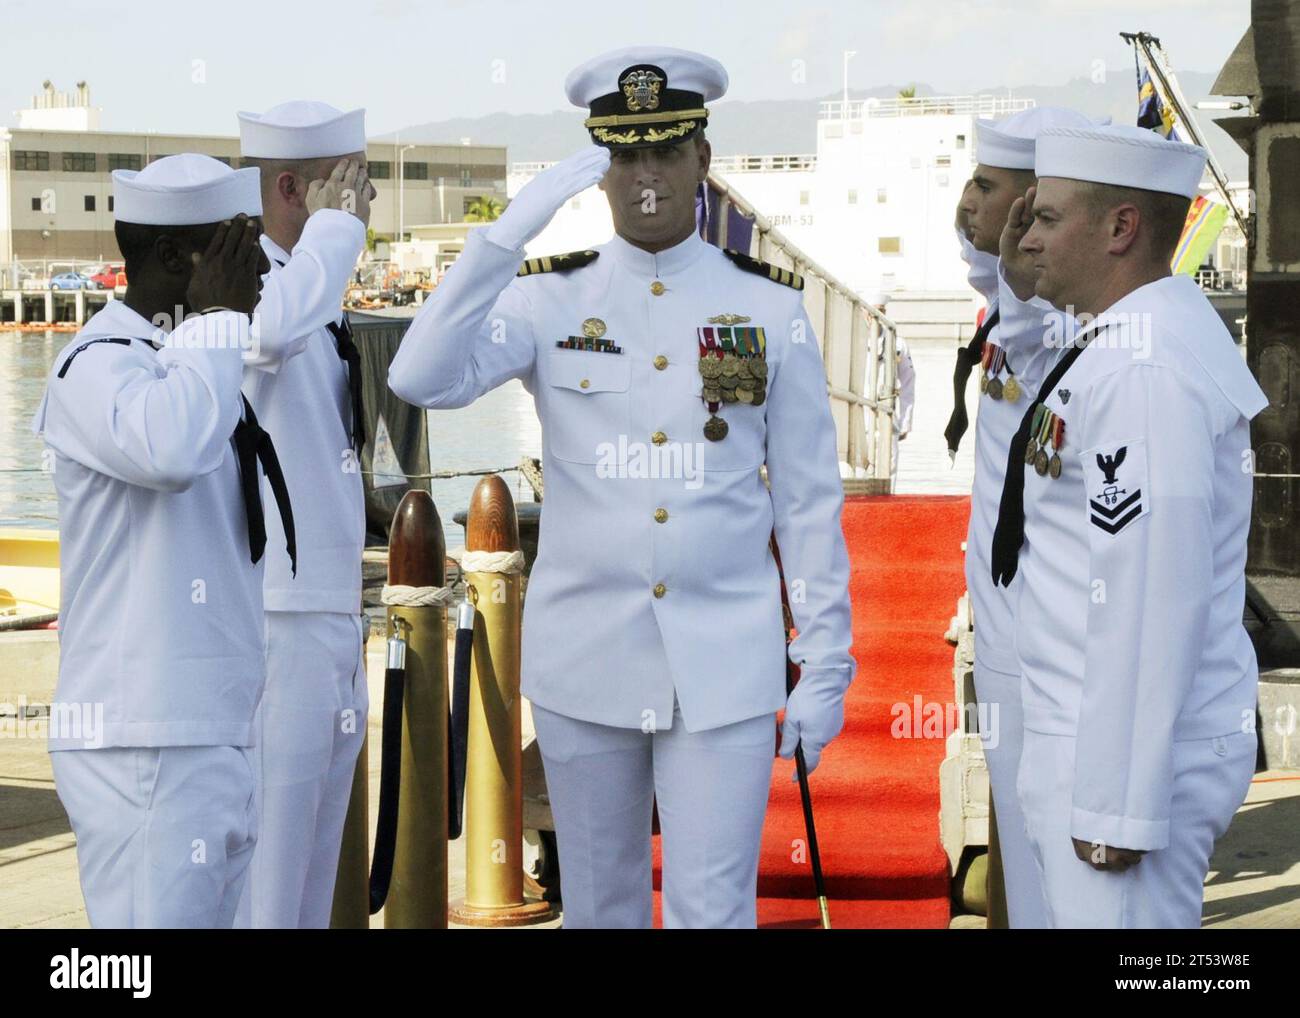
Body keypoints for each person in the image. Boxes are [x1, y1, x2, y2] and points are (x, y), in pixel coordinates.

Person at [388, 46, 855, 928]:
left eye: (666, 152)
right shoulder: (545, 300)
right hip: (587, 657)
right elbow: (419, 376)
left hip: (726, 661)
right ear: (600, 172)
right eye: (625, 156)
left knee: (712, 910)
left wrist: (828, 662)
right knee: (599, 907)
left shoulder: (768, 308)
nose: (646, 176)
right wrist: (500, 240)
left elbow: (806, 502)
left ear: (702, 161)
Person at [990, 124, 1267, 928]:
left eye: (1045, 218)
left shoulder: (1143, 369)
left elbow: (1150, 592)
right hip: (1088, 743)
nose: (1027, 236)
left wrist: (1118, 803)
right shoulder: (1118, 341)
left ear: (1120, 229)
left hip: (1116, 767)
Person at [33, 154, 291, 927]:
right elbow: (171, 452)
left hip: (214, 729)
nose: (259, 272)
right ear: (181, 259)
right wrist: (216, 322)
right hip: (144, 740)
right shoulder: (96, 368)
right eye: (238, 248)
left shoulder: (195, 366)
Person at [947, 108, 1095, 927]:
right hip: (1006, 616)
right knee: (1024, 834)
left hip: (1047, 629)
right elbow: (989, 277)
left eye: (986, 186)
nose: (967, 199)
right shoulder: (1014, 301)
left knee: (1057, 862)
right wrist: (980, 235)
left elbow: (1022, 296)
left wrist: (998, 244)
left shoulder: (1051, 311)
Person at [233, 101, 375, 929]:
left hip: (328, 614)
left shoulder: (313, 285)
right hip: (275, 624)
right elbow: (263, 339)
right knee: (269, 887)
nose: (362, 202)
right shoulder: (250, 282)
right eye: (347, 183)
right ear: (293, 187)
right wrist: (336, 236)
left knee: (313, 885)